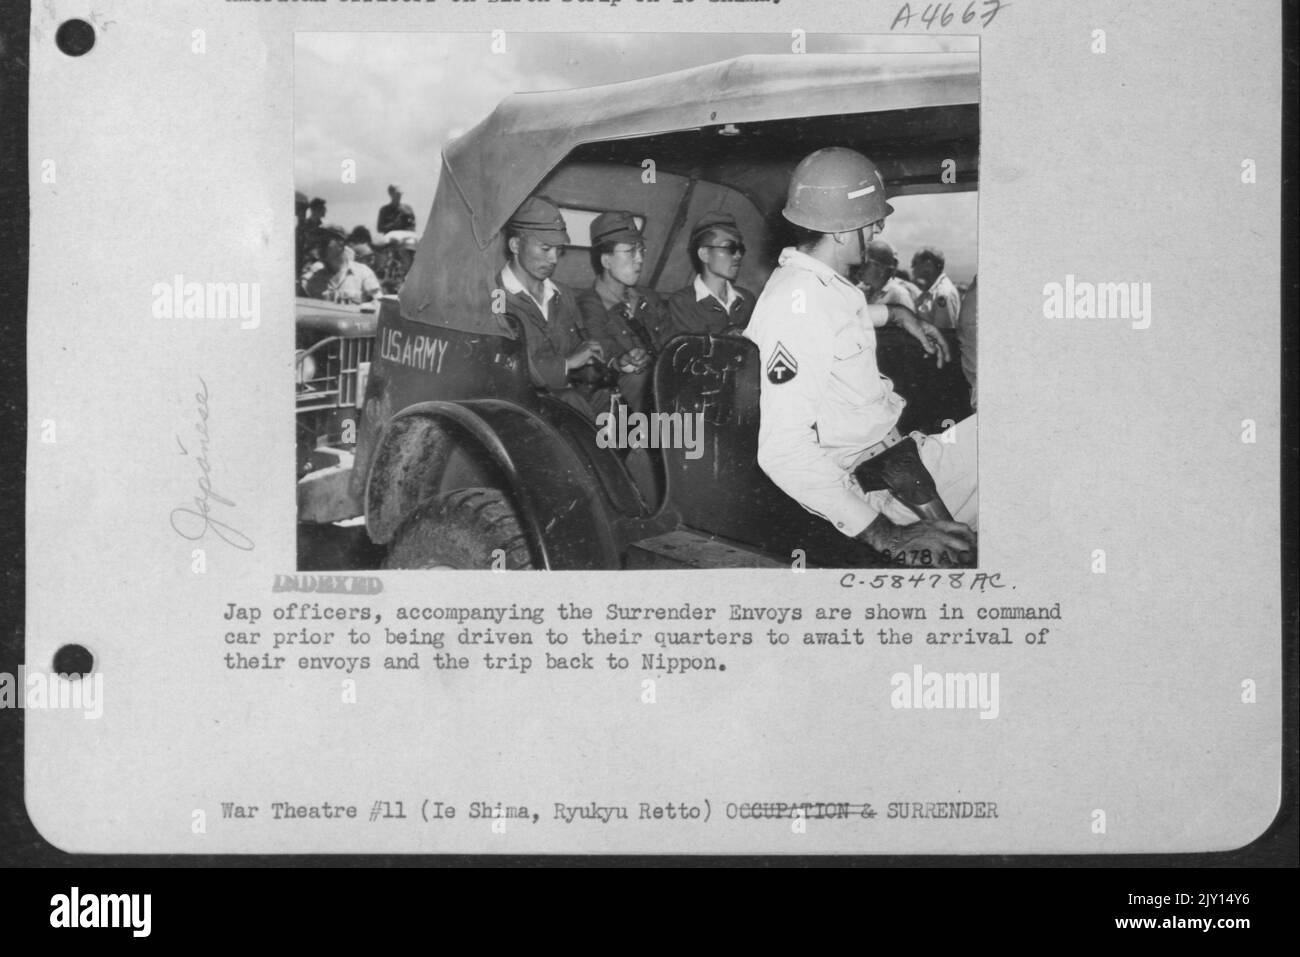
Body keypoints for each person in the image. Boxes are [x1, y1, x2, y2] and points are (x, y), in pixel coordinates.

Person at [744, 147, 977, 566]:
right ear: (839, 231)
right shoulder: (795, 300)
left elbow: (838, 321)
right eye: (870, 220)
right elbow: (783, 451)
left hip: (904, 463)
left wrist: (898, 314)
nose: (879, 227)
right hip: (881, 493)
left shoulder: (819, 286)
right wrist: (891, 536)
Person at [497, 196, 606, 419]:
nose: (554, 259)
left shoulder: (563, 294)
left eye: (559, 249)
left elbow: (579, 348)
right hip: (522, 407)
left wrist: (598, 361)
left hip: (569, 397)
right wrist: (568, 363)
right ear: (515, 245)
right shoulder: (495, 298)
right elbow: (505, 372)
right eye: (546, 248)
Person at [575, 211, 664, 414]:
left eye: (641, 250)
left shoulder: (649, 299)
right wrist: (622, 360)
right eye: (631, 251)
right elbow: (601, 352)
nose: (639, 259)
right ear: (606, 261)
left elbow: (673, 340)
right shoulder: (588, 307)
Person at [663, 211, 756, 343]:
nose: (738, 255)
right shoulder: (682, 303)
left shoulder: (747, 300)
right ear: (704, 254)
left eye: (740, 248)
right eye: (730, 248)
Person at [300, 225, 382, 304]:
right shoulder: (312, 280)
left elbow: (379, 304)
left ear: (341, 244)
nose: (320, 247)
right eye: (317, 243)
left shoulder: (363, 273)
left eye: (324, 242)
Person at [911, 246, 961, 332]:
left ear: (928, 265)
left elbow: (945, 334)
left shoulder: (943, 293)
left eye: (914, 263)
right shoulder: (931, 291)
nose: (912, 268)